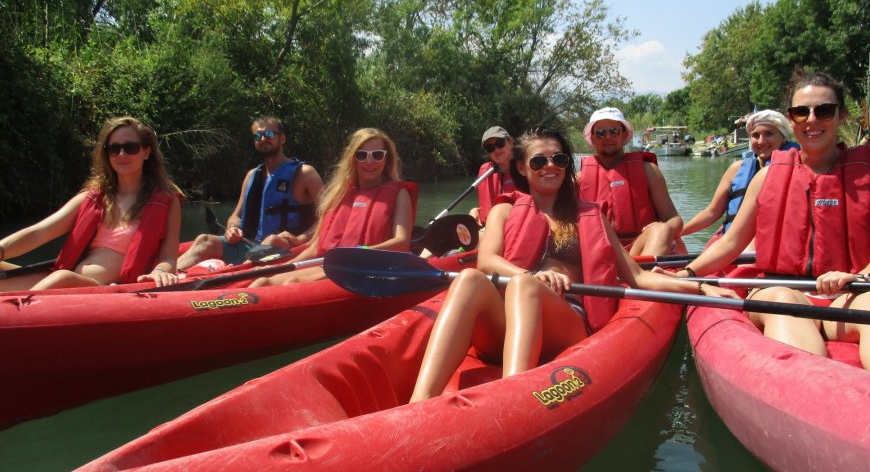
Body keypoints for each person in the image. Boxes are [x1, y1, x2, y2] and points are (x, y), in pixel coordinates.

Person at [409, 126, 737, 402]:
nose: (550, 166)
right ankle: (419, 403)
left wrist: (702, 285)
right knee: (468, 278)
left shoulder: (588, 216)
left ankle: (508, 401)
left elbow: (637, 277)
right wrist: (532, 275)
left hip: (567, 321)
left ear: (568, 164)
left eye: (559, 158)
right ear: (522, 168)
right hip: (507, 320)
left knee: (525, 287)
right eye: (539, 160)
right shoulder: (504, 211)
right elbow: (486, 260)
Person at [672, 71, 869, 369]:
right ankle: (808, 392)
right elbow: (732, 242)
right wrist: (687, 273)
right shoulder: (766, 177)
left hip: (849, 293)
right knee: (782, 302)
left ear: (841, 116)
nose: (811, 120)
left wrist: (860, 277)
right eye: (801, 112)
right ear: (791, 120)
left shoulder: (865, 176)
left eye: (824, 111)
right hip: (782, 289)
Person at [0, 116, 183, 290]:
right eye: (114, 148)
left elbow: (168, 256)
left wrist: (161, 271)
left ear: (146, 151)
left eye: (130, 147)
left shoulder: (167, 201)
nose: (121, 154)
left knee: (62, 277)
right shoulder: (92, 197)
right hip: (67, 282)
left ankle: (15, 312)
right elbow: (37, 234)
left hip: (107, 288)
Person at [249, 127, 416, 286]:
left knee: (290, 283)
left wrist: (362, 252)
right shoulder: (340, 194)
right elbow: (316, 248)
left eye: (377, 155)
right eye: (362, 155)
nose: (370, 161)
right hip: (330, 266)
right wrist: (281, 267)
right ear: (353, 159)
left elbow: (402, 242)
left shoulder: (399, 194)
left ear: (386, 159)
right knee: (262, 281)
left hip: (368, 270)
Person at [176, 116, 323, 270]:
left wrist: (301, 238)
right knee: (204, 240)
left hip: (287, 250)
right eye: (258, 136)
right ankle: (166, 279)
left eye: (270, 134)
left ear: (283, 138)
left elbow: (329, 215)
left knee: (272, 240)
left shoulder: (305, 173)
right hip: (250, 246)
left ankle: (232, 276)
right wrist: (232, 228)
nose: (263, 139)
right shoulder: (252, 175)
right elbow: (236, 216)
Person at [682, 110, 799, 248]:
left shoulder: (797, 170)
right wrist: (679, 233)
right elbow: (712, 212)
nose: (761, 141)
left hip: (766, 246)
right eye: (755, 135)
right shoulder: (736, 169)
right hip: (731, 243)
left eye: (769, 134)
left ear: (783, 138)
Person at [577, 107, 684, 256]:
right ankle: (638, 276)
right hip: (599, 253)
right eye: (600, 133)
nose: (607, 137)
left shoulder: (650, 171)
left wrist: (663, 233)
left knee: (662, 229)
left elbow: (674, 219)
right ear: (593, 139)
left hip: (643, 249)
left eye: (614, 131)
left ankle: (640, 275)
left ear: (624, 134)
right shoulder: (578, 179)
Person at [469, 126, 517, 227]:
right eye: (490, 147)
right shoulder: (484, 170)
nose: (496, 149)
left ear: (510, 142)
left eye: (500, 143)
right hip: (489, 228)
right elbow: (490, 206)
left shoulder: (527, 168)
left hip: (517, 228)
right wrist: (476, 210)